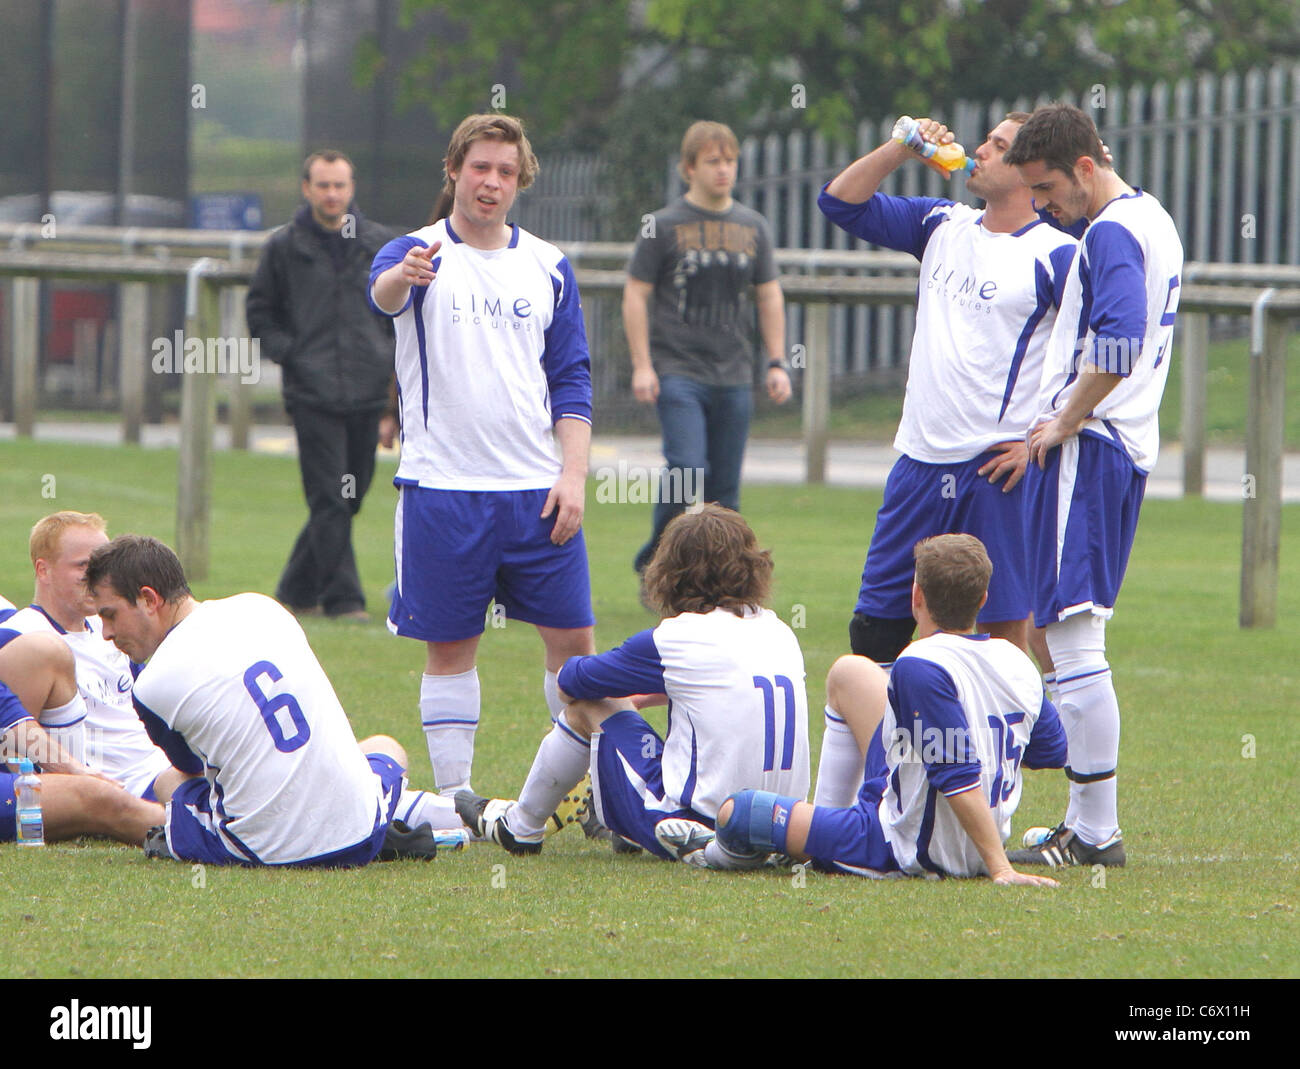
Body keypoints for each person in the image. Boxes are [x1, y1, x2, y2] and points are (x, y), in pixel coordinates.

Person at [368, 113, 596, 800]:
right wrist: (404, 277)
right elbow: (381, 296)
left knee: (576, 651)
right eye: (479, 168)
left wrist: (574, 475)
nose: (490, 182)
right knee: (451, 647)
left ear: (519, 179)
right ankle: (456, 796)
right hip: (442, 490)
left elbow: (573, 378)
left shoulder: (549, 266)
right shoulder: (414, 253)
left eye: (504, 171)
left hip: (537, 491)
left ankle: (582, 794)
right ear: (454, 171)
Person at [819, 112, 1080, 663]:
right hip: (918, 461)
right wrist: (900, 150)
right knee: (874, 632)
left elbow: (1097, 355)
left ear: (1031, 170)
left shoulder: (1057, 254)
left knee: (1001, 638)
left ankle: (1009, 748)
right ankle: (887, 746)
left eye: (998, 145)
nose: (979, 150)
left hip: (993, 471)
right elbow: (840, 203)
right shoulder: (942, 221)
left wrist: (1050, 432)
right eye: (984, 140)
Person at [1001, 103, 1183, 869]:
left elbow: (1116, 340)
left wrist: (1062, 420)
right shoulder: (1152, 219)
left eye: (1047, 188)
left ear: (1084, 167)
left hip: (1096, 446)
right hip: (1118, 447)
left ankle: (1098, 830)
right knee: (1061, 629)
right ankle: (1083, 820)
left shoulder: (1109, 230)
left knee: (1073, 635)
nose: (1043, 206)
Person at [680, 534, 1065, 885]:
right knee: (851, 672)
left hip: (904, 845)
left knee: (740, 813)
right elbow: (1050, 750)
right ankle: (827, 814)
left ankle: (716, 852)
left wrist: (1000, 868)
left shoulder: (920, 663)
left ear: (916, 597)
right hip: (924, 803)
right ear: (983, 600)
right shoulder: (1016, 662)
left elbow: (957, 776)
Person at [456, 504, 810, 859]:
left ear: (671, 571)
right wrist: (650, 693)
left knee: (589, 705)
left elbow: (570, 683)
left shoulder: (676, 638)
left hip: (699, 824)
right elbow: (729, 688)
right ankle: (621, 829)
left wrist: (624, 691)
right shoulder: (779, 630)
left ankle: (521, 826)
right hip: (783, 824)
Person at [84, 534, 453, 867]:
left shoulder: (151, 686)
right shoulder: (263, 606)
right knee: (385, 746)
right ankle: (465, 812)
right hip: (361, 836)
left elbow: (191, 772)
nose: (106, 633)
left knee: (168, 782)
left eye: (110, 615)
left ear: (149, 599)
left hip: (267, 850)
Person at [625, 121, 792, 574]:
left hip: (734, 372)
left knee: (725, 490)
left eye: (730, 161)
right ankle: (656, 564)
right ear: (689, 168)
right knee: (685, 469)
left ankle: (724, 579)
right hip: (677, 368)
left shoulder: (752, 226)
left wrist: (776, 362)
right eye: (713, 161)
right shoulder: (662, 225)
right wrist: (642, 366)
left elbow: (768, 293)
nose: (724, 170)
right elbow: (636, 292)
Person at [246, 149, 397, 621]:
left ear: (352, 188)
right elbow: (260, 310)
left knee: (351, 497)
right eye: (323, 185)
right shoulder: (284, 247)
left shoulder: (379, 244)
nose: (332, 194)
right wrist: (289, 353)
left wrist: (394, 395)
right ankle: (344, 600)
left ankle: (296, 588)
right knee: (329, 497)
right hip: (312, 394)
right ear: (306, 188)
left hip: (367, 391)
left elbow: (399, 318)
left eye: (340, 185)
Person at [0, 512, 184, 800]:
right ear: (43, 570)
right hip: (119, 785)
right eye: (83, 565)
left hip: (159, 767)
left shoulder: (109, 627)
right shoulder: (22, 637)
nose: (97, 579)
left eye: (103, 567)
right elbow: (11, 741)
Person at [1, 637, 165, 846]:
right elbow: (7, 715)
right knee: (99, 798)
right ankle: (198, 834)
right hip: (126, 778)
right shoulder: (28, 630)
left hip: (152, 769)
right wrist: (75, 771)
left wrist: (75, 770)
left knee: (177, 783)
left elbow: (7, 711)